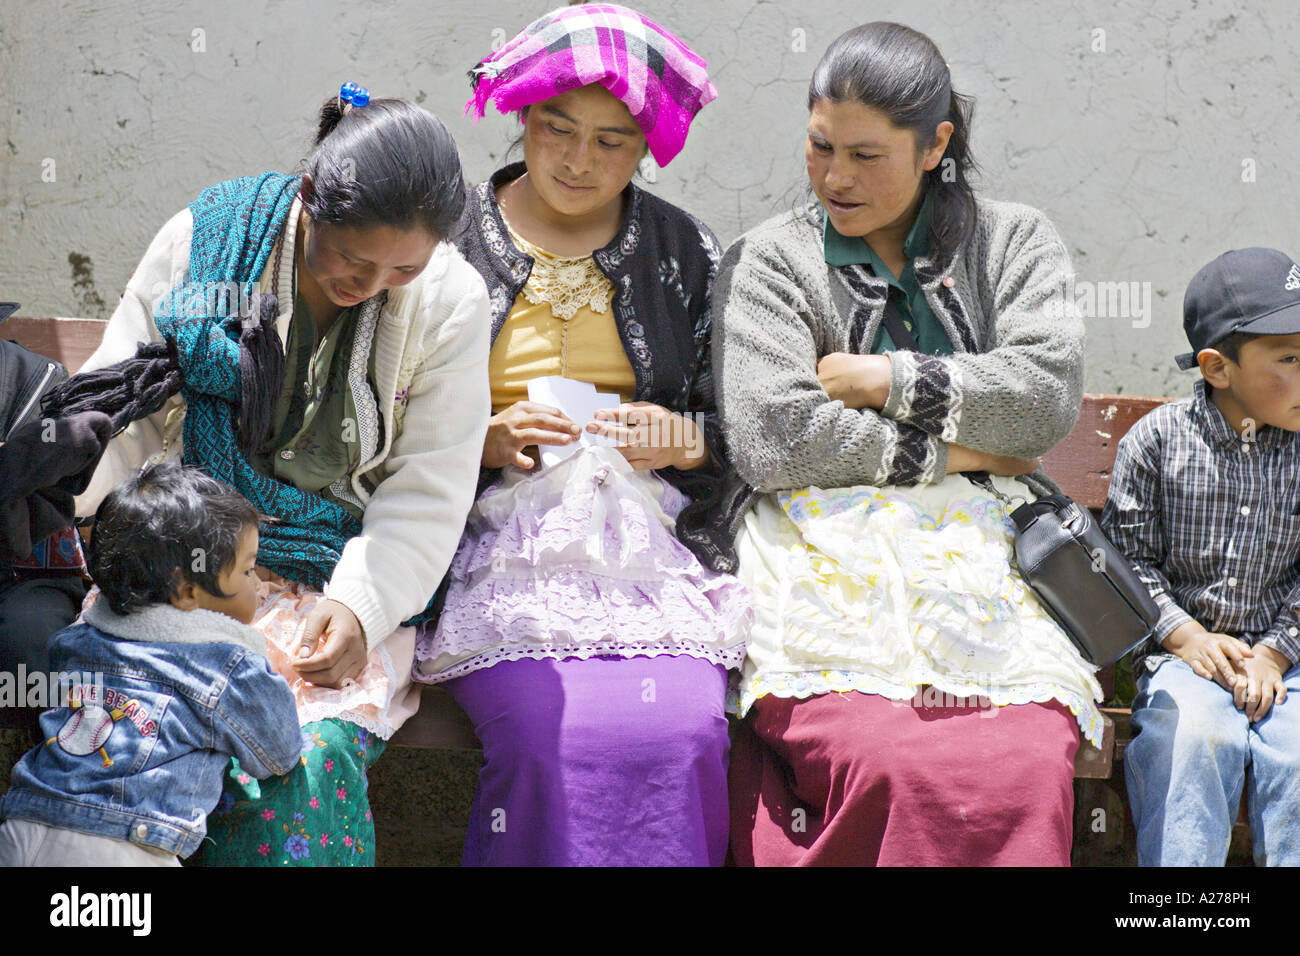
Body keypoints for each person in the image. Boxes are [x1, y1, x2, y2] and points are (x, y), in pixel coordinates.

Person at [53, 86, 491, 865]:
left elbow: (429, 485)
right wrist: (107, 557)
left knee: (300, 761)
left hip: (340, 580)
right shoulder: (208, 242)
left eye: (403, 267)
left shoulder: (449, 298)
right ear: (310, 200)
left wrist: (361, 608)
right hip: (188, 574)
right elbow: (118, 411)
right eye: (353, 259)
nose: (373, 282)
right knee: (126, 742)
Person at [713, 21, 1103, 866]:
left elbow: (1042, 402)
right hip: (817, 552)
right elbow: (776, 439)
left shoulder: (1016, 242)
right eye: (820, 147)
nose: (835, 177)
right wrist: (966, 450)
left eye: (867, 155)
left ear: (936, 146)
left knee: (1024, 760)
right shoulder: (770, 260)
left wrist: (882, 379)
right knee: (882, 755)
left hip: (990, 559)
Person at [412, 3, 749, 866]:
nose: (578, 159)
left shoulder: (684, 252)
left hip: (646, 558)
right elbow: (374, 415)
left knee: (683, 730)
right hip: (487, 553)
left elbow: (745, 426)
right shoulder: (443, 244)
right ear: (522, 116)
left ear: (647, 147)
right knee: (544, 731)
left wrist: (683, 439)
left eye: (612, 140)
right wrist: (477, 441)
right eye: (558, 128)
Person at [1102, 247, 1300, 867]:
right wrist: (1184, 636)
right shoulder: (1157, 443)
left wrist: (1275, 649)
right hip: (1182, 664)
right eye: (1291, 358)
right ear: (1218, 367)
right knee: (1192, 738)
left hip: (1291, 663)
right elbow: (1128, 561)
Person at [0, 462, 301, 867]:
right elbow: (278, 754)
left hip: (24, 821)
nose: (258, 585)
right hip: (123, 846)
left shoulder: (76, 641)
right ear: (187, 591)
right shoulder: (226, 667)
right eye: (247, 571)